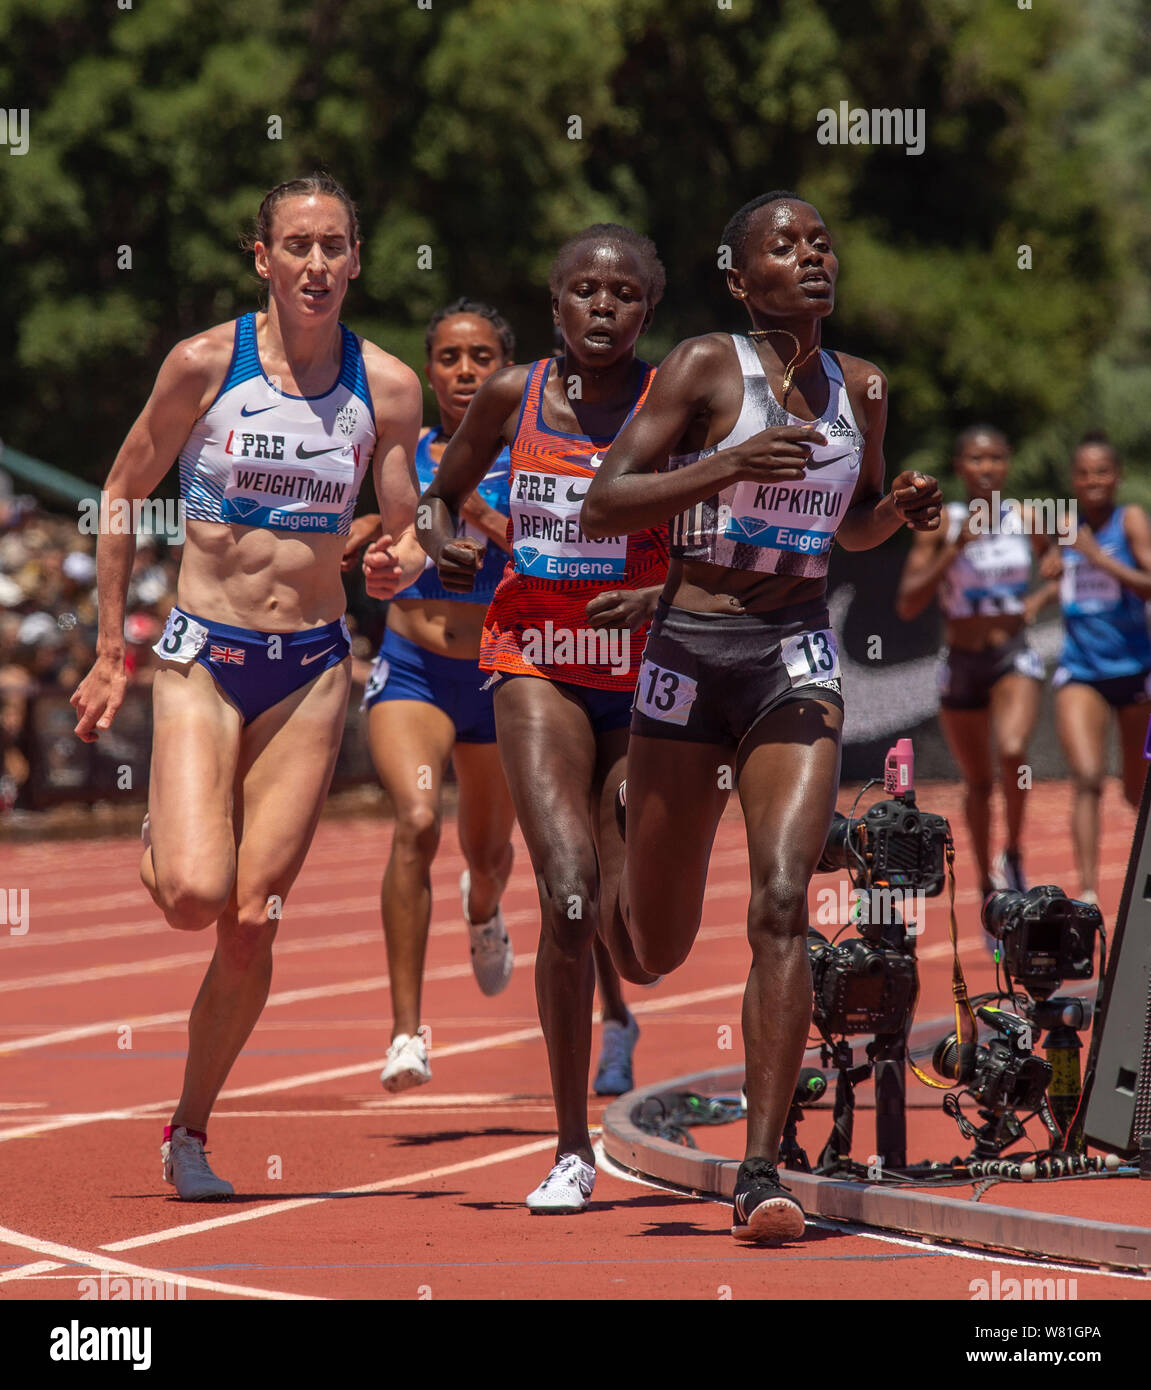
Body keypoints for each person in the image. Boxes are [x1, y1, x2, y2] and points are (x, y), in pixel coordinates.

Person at [582, 191, 942, 1243]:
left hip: (792, 654)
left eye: (821, 242)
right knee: (652, 947)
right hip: (688, 652)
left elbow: (855, 524)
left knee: (781, 899)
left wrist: (896, 513)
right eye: (782, 247)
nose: (811, 257)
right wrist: (728, 461)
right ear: (740, 279)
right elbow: (610, 499)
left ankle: (758, 1169)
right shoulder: (703, 366)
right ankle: (619, 818)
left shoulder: (860, 387)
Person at [71, 174, 424, 1200]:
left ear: (356, 261)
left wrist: (401, 556)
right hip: (201, 657)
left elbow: (399, 525)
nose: (316, 264)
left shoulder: (386, 389)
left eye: (333, 246)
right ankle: (168, 841)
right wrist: (108, 649)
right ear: (261, 259)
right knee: (191, 894)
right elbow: (125, 488)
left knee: (252, 919)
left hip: (310, 669)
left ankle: (189, 1128)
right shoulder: (203, 365)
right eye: (297, 246)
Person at [375, 223, 667, 1212]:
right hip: (531, 658)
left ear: (647, 310)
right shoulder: (516, 395)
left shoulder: (679, 398)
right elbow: (437, 502)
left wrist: (666, 596)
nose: (600, 306)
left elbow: (726, 526)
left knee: (639, 942)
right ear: (554, 305)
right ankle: (571, 1145)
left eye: (621, 293)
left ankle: (631, 982)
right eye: (582, 289)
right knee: (570, 893)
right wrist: (445, 541)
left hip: (640, 674)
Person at [343, 299, 519, 1091]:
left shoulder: (534, 452)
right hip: (413, 664)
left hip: (497, 672)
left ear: (505, 369)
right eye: (448, 357)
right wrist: (361, 532)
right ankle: (406, 1031)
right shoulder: (402, 448)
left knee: (486, 854)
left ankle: (481, 909)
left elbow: (534, 542)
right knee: (416, 820)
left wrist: (469, 496)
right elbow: (382, 520)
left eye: (481, 356)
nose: (463, 371)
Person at [897, 426, 1047, 896]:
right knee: (979, 783)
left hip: (1012, 655)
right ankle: (985, 883)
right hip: (961, 662)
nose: (986, 469)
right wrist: (956, 548)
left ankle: (1015, 852)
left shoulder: (1027, 518)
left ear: (1008, 464)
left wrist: (1044, 595)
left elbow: (1071, 560)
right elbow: (907, 602)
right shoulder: (942, 523)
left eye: (996, 458)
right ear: (960, 466)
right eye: (976, 460)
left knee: (1012, 749)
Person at [1045, 433, 1151, 902]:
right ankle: (1088, 891)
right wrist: (1051, 567)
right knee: (1087, 778)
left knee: (1136, 791)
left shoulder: (1130, 520)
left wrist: (1095, 559)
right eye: (1084, 473)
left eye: (1102, 471)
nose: (1093, 480)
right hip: (1080, 669)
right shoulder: (1064, 524)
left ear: (1117, 475)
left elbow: (1148, 584)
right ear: (1073, 479)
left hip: (1134, 669)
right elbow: (1057, 573)